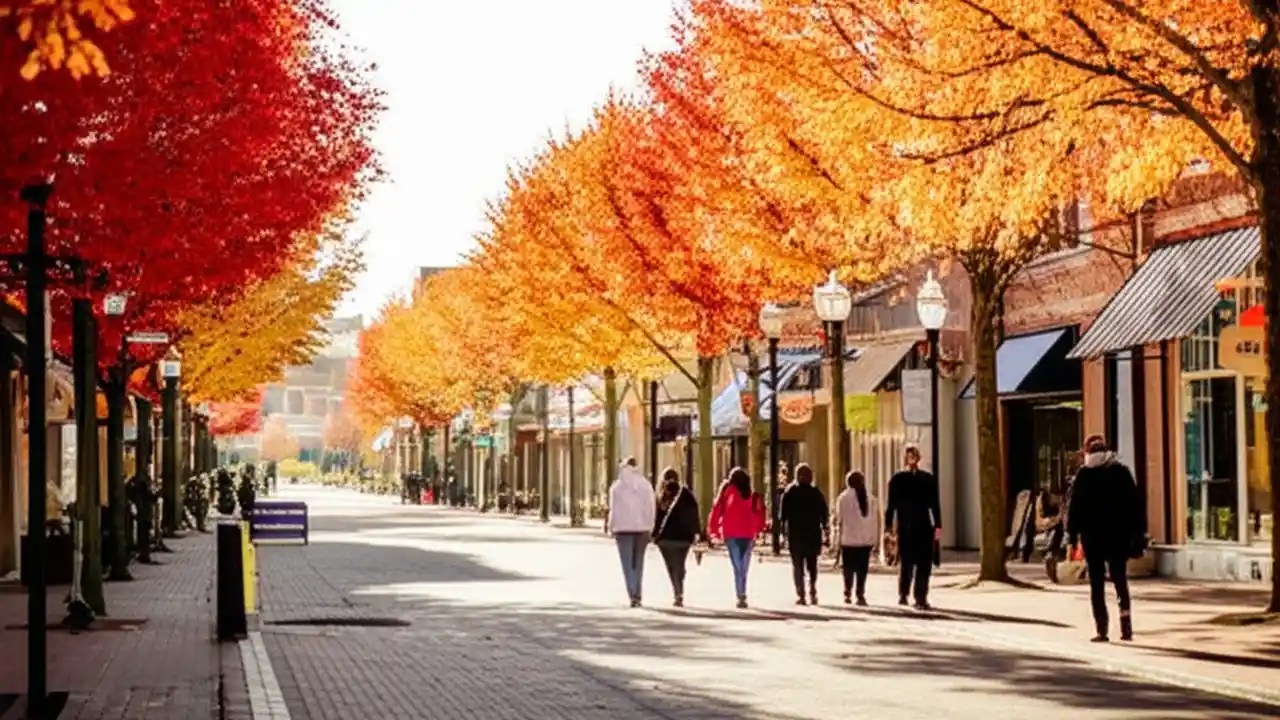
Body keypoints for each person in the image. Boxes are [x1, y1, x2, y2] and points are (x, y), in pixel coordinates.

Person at [1067, 434, 1143, 642]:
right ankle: (1126, 625)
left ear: (1087, 453)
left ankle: (1102, 629)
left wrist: (1071, 537)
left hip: (1092, 539)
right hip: (1118, 537)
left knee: (1097, 584)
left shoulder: (1084, 474)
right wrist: (1137, 535)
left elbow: (1074, 508)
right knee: (1120, 580)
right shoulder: (1121, 472)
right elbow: (1135, 506)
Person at [885, 445, 942, 610]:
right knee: (914, 562)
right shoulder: (922, 479)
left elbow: (892, 506)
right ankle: (913, 595)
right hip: (916, 526)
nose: (912, 459)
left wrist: (888, 526)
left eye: (913, 456)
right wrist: (938, 526)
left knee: (914, 562)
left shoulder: (901, 479)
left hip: (912, 526)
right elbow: (934, 505)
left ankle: (913, 595)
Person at [707, 467, 767, 609]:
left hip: (731, 533)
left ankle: (741, 594)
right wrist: (759, 529)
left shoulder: (727, 491)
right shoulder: (752, 494)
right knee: (744, 565)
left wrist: (713, 530)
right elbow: (760, 513)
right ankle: (742, 593)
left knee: (737, 565)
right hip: (748, 533)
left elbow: (717, 510)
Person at [608, 457, 657, 608]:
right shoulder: (646, 485)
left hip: (622, 529)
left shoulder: (616, 487)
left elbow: (613, 510)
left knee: (627, 564)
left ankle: (633, 593)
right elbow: (651, 508)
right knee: (639, 563)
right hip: (642, 528)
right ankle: (638, 593)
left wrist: (611, 526)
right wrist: (651, 525)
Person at [779, 463, 829, 605]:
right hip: (812, 534)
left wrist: (782, 533)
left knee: (798, 566)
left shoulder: (789, 492)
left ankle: (801, 593)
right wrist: (825, 527)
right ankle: (812, 589)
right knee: (812, 565)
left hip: (796, 534)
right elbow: (824, 513)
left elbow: (783, 516)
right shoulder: (815, 493)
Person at [653, 468, 701, 607]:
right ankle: (679, 584)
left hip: (665, 539)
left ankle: (677, 591)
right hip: (684, 538)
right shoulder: (686, 494)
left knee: (671, 566)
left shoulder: (661, 496)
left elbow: (656, 517)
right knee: (679, 563)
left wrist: (654, 534)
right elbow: (694, 514)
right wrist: (697, 532)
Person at [835, 470, 881, 606]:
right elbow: (876, 521)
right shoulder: (871, 499)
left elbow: (839, 520)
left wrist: (837, 541)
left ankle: (847, 592)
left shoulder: (843, 498)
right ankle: (860, 594)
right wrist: (876, 540)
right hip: (865, 540)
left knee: (848, 568)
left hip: (848, 540)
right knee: (862, 569)